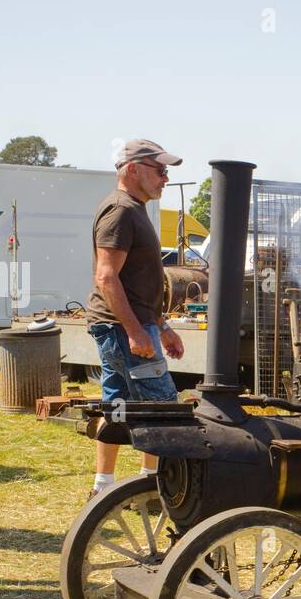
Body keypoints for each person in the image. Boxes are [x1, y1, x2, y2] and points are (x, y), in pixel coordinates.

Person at [87, 139, 186, 497]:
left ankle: (104, 488)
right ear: (132, 169)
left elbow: (139, 281)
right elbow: (106, 276)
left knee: (117, 408)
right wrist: (134, 331)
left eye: (167, 172)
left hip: (122, 326)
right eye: (159, 170)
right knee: (164, 411)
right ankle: (157, 487)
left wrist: (161, 326)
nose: (165, 178)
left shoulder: (134, 208)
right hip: (120, 327)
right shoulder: (120, 211)